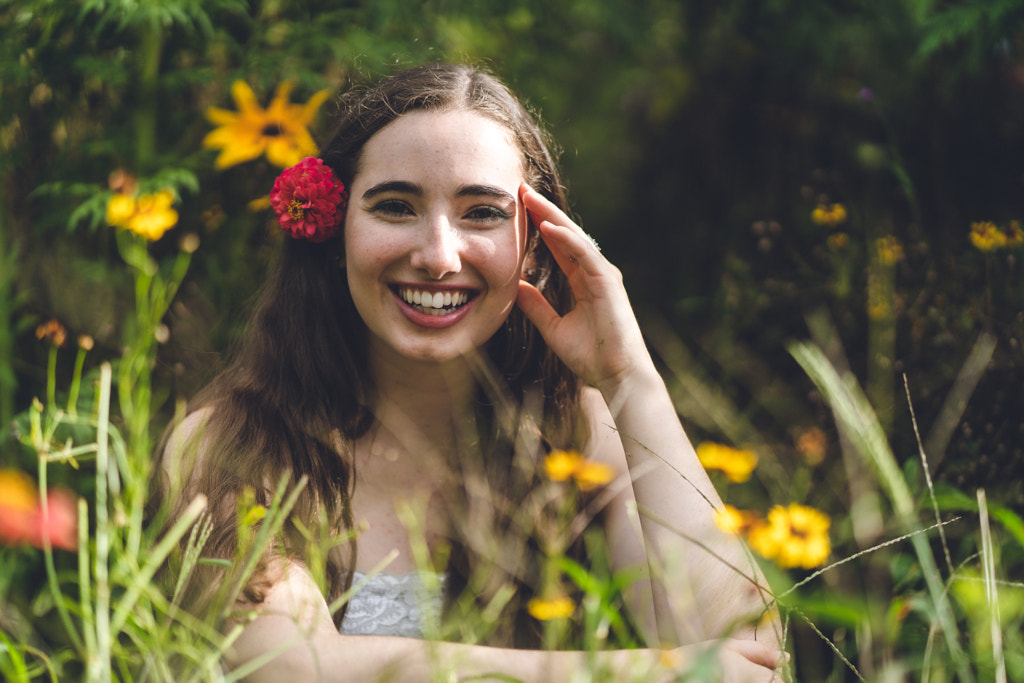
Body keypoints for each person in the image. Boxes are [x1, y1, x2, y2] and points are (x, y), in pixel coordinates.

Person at [152, 63, 784, 681]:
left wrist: (628, 378)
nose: (437, 256)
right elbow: (290, 667)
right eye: (395, 206)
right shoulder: (233, 447)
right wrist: (652, 674)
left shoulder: (578, 434)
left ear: (536, 245)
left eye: (481, 213)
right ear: (337, 232)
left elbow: (750, 654)